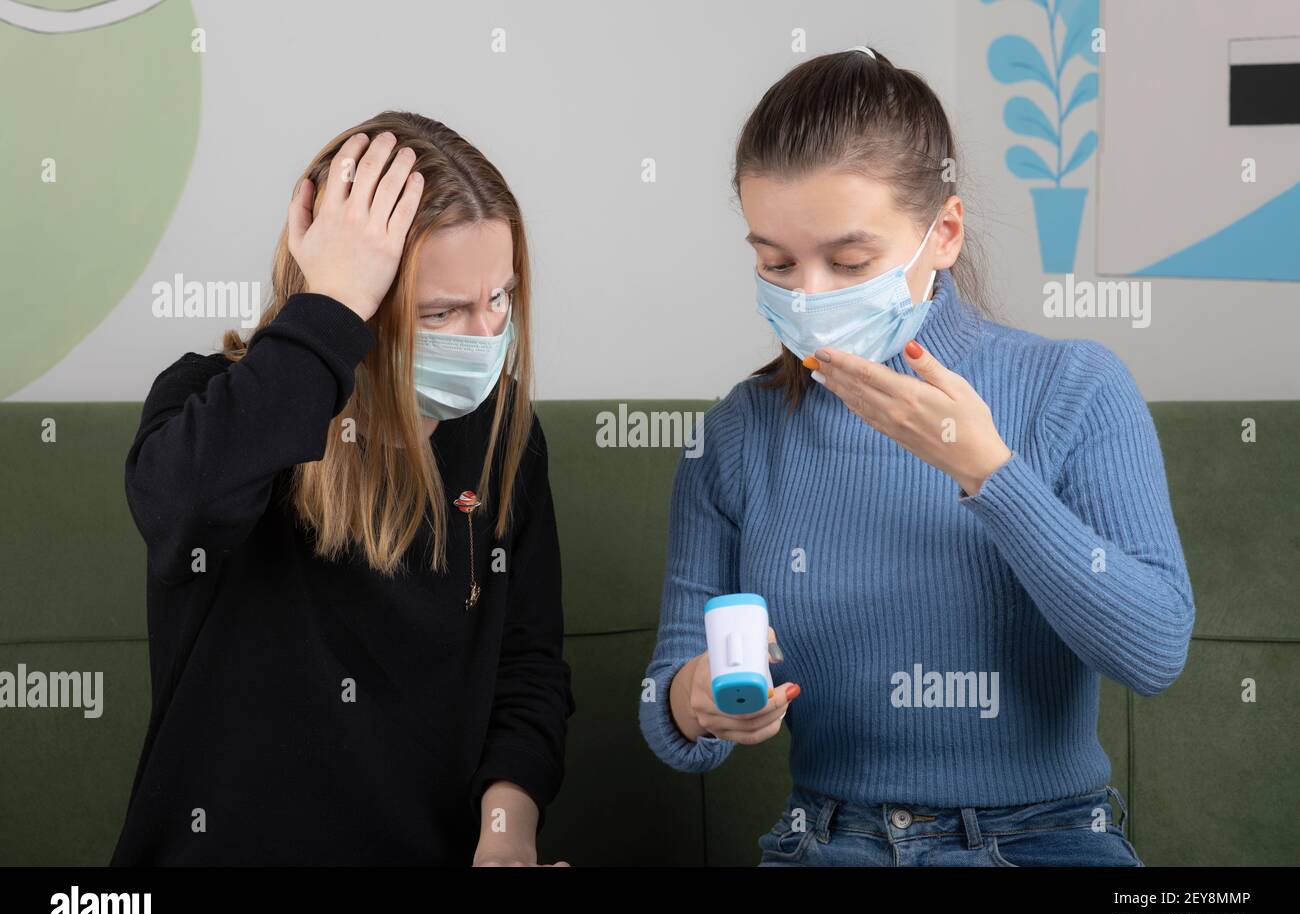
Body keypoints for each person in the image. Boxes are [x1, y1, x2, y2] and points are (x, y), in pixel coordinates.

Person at [639, 48, 1193, 866]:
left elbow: (1153, 652)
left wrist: (991, 475)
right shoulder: (736, 436)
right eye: (776, 262)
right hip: (829, 842)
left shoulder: (1072, 387)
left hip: (1047, 842)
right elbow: (669, 701)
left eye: (851, 261)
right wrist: (700, 702)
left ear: (944, 234)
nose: (811, 297)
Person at [111, 112, 574, 866]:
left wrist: (506, 832)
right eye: (442, 311)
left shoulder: (504, 437)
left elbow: (526, 668)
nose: (486, 336)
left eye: (500, 299)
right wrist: (324, 307)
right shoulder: (212, 403)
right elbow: (184, 508)